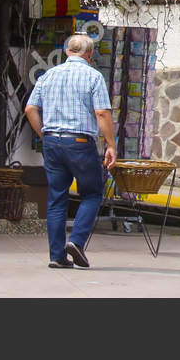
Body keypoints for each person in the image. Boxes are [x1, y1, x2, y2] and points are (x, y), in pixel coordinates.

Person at [24, 33, 116, 269]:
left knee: (56, 198)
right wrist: (111, 144)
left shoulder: (48, 76)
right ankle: (75, 241)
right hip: (80, 141)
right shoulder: (93, 77)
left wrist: (44, 134)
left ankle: (56, 255)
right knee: (92, 193)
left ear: (66, 51)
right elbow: (102, 113)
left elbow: (30, 109)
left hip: (53, 141)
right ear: (90, 54)